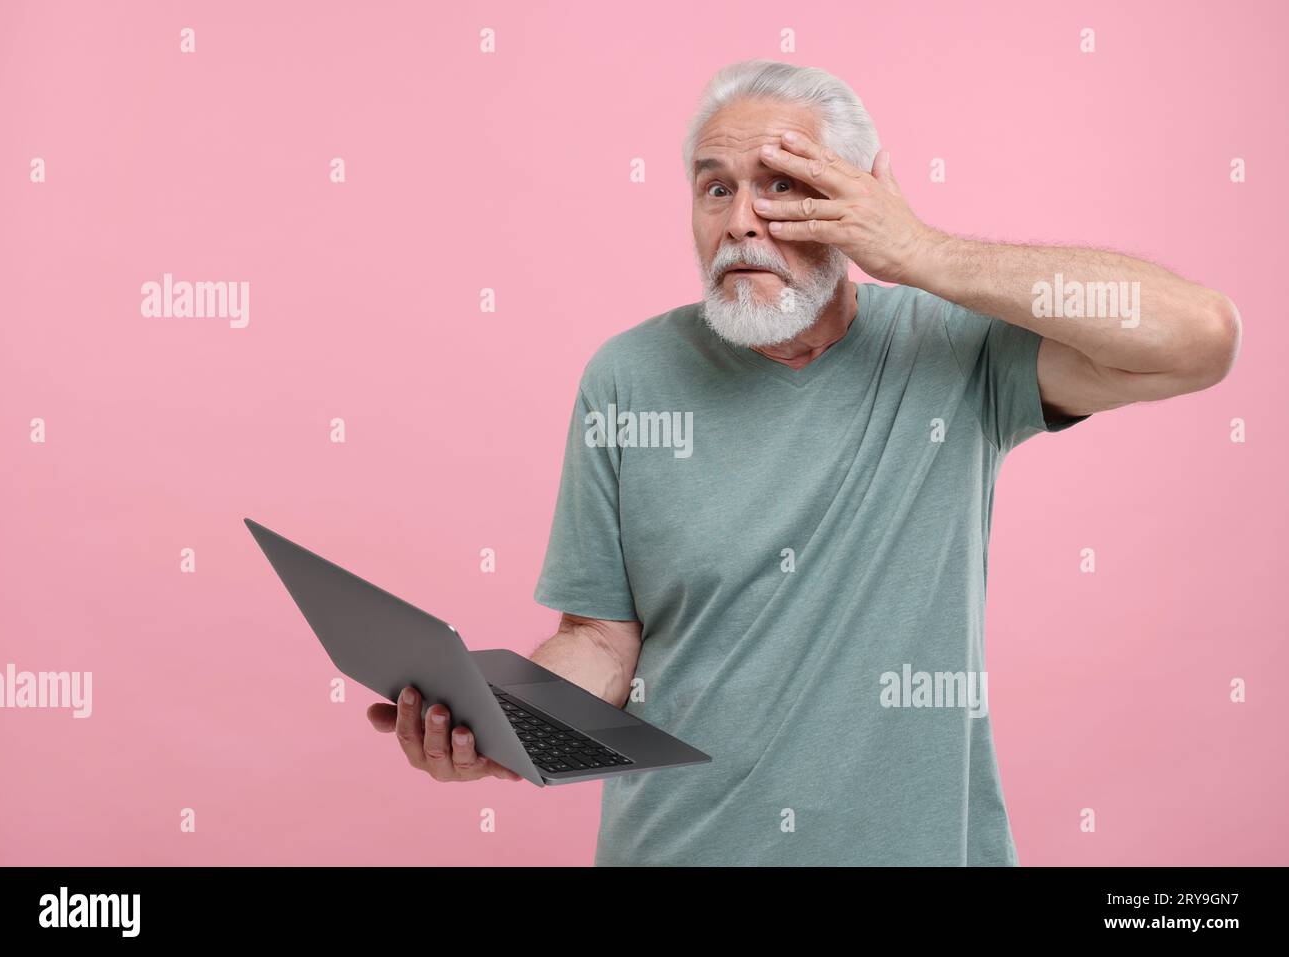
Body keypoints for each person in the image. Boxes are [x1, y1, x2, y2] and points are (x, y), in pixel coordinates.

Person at [367, 59, 1240, 865]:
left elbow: (1195, 338)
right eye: (716, 187)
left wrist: (920, 251)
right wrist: (502, 721)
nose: (741, 219)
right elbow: (602, 640)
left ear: (855, 200)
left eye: (783, 185)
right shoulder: (627, 377)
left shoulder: (950, 349)